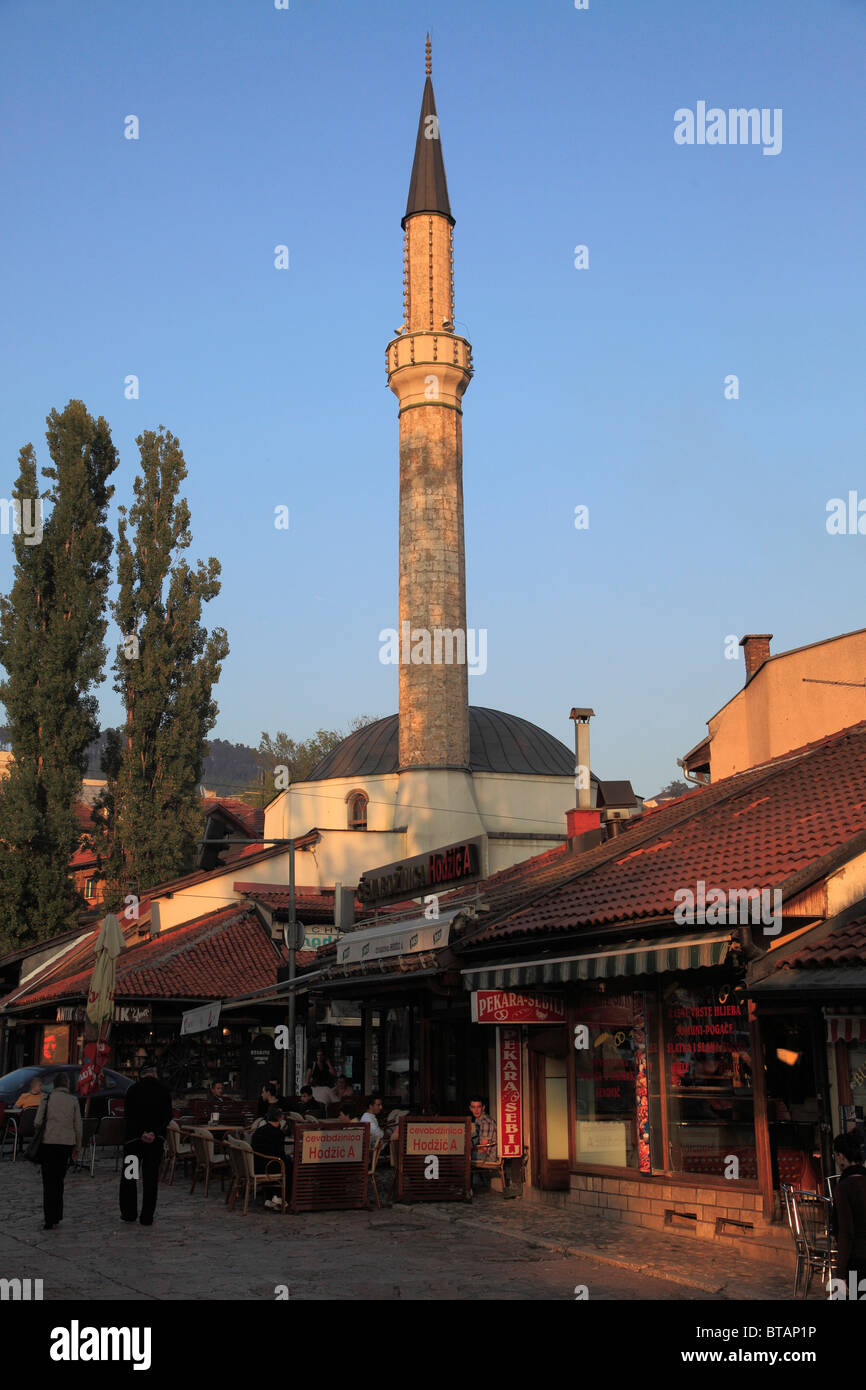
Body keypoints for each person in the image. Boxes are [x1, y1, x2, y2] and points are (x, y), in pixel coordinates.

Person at [119, 1065, 173, 1226]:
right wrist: (154, 1133)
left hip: (134, 1142)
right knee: (150, 1179)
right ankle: (147, 1216)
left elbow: (128, 1115)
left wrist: (141, 1132)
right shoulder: (164, 1091)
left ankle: (129, 1213)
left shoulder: (132, 1090)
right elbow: (167, 1116)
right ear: (154, 1074)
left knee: (130, 1176)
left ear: (141, 1075)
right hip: (154, 1143)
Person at [34, 1072, 82, 1230]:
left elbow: (37, 1122)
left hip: (49, 1142)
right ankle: (57, 1214)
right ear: (67, 1085)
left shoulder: (46, 1099)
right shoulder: (73, 1100)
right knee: (59, 1180)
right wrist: (77, 1146)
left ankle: (49, 1218)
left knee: (48, 1181)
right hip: (66, 1144)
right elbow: (78, 1127)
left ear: (54, 1085)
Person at [832, 1130, 866, 1282]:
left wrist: (840, 1273)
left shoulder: (845, 1187)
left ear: (841, 1156)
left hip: (857, 1261)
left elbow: (846, 1233)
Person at [469, 1096, 497, 1161]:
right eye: (473, 1107)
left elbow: (483, 1149)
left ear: (483, 1108)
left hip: (489, 1156)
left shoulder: (486, 1122)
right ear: (470, 1108)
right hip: (484, 1153)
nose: (476, 1110)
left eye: (478, 1107)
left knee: (462, 1156)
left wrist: (468, 1150)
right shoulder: (478, 1120)